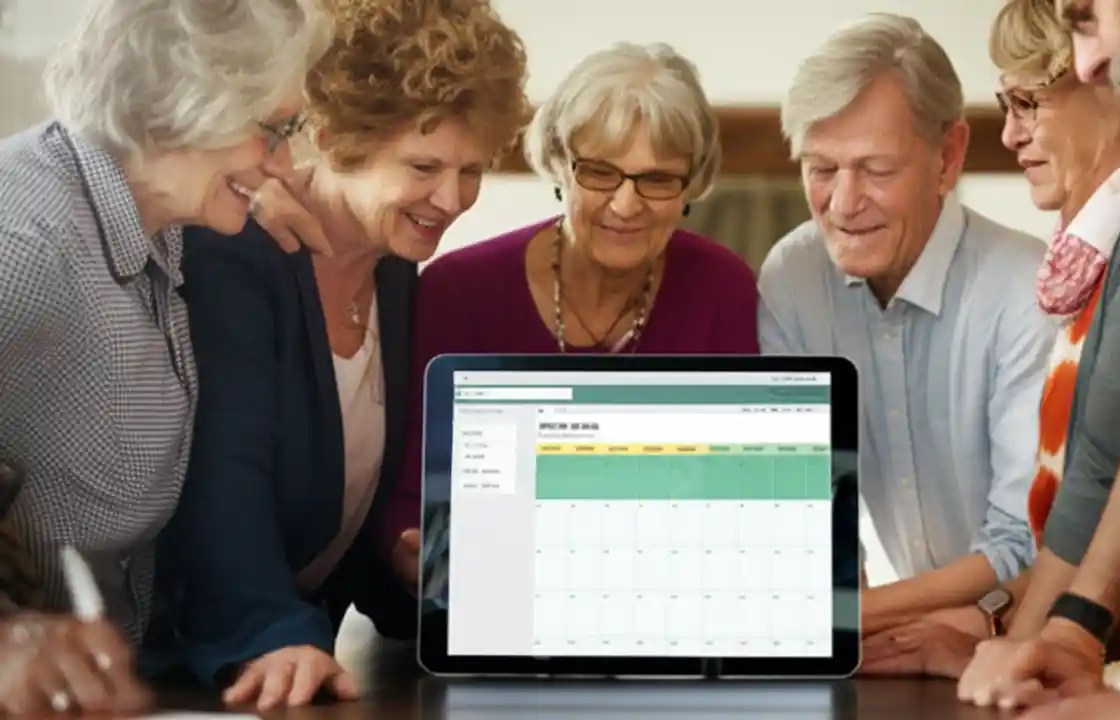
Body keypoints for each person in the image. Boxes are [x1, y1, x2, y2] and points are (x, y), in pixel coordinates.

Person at [145, 0, 531, 711]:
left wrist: (417, 570)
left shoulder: (397, 276)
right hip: (190, 669)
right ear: (332, 136)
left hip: (303, 667)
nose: (451, 199)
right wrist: (268, 628)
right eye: (423, 166)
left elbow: (355, 511)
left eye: (473, 170)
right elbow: (222, 476)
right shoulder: (236, 255)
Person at [857, 0, 1120, 683]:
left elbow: (1105, 480)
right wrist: (989, 630)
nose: (1010, 134)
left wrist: (1018, 653)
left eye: (1029, 101)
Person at [0, 0, 332, 714]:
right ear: (179, 108)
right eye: (274, 132)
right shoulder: (24, 239)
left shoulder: (157, 224)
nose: (286, 162)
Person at [374, 40, 760, 604]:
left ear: (689, 188)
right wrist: (423, 556)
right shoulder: (459, 291)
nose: (626, 206)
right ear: (559, 164)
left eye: (657, 179)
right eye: (600, 172)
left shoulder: (723, 288)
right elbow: (408, 497)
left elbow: (740, 502)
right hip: (480, 606)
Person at [756, 13, 1055, 636]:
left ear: (948, 157)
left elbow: (1022, 547)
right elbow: (814, 515)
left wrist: (842, 619)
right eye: (821, 168)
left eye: (876, 170)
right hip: (905, 641)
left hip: (1035, 641)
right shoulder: (793, 276)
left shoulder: (1026, 291)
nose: (842, 203)